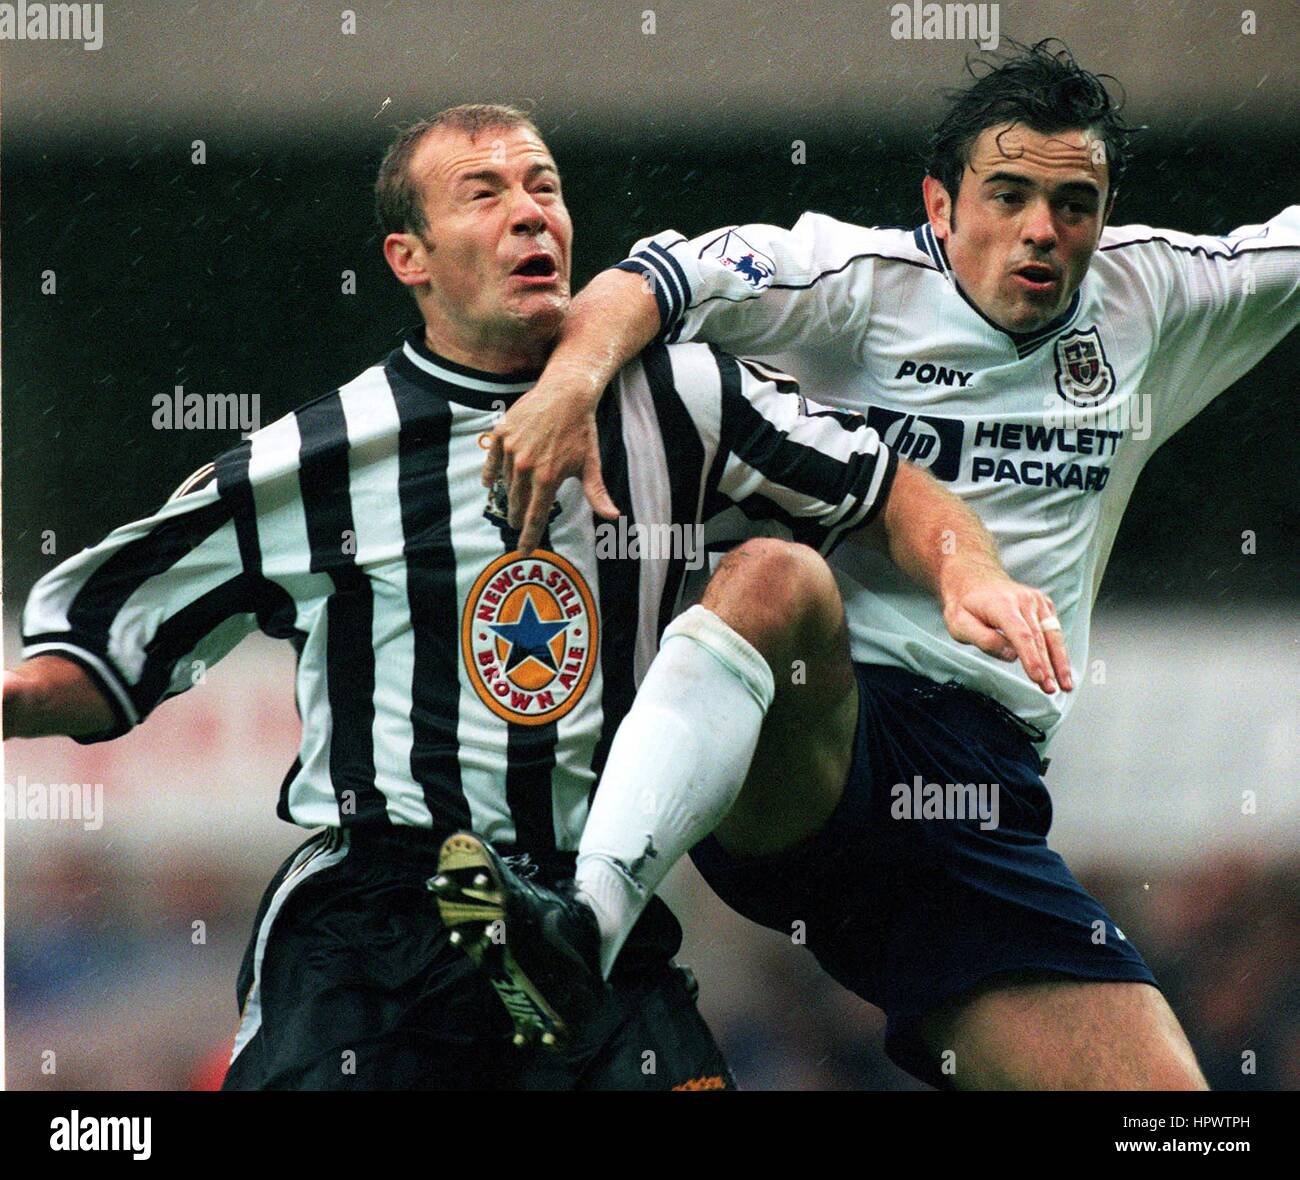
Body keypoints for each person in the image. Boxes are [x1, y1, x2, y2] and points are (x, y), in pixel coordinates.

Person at [3, 104, 1056, 1089]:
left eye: (542, 186)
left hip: (588, 914)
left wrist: (969, 571)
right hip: (377, 924)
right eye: (482, 192)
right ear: (407, 259)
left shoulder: (684, 396)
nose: (527, 212)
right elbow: (105, 652)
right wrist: (16, 700)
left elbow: (887, 485)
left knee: (783, 578)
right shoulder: (317, 454)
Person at [474, 41, 1298, 1090]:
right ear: (941, 205)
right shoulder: (853, 281)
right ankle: (578, 928)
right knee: (778, 574)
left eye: (1072, 203)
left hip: (973, 804)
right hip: (816, 728)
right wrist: (567, 389)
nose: (1042, 229)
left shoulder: (1159, 294)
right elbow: (653, 276)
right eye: (1007, 194)